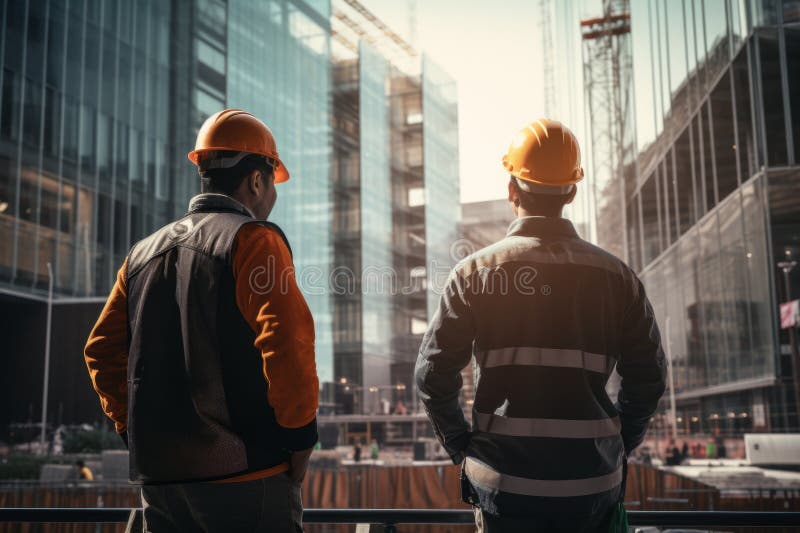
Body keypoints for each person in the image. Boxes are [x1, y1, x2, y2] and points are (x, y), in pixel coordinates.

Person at [415, 119, 666, 532]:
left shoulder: (474, 273)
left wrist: (461, 447)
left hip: (504, 488)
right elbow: (649, 376)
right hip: (592, 486)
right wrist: (617, 445)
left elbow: (432, 375)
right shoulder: (618, 278)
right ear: (572, 191)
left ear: (512, 190)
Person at [84, 109, 319, 532]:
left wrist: (133, 430)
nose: (272, 198)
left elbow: (101, 352)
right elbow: (288, 344)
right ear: (256, 180)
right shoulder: (253, 239)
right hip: (247, 478)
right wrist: (300, 439)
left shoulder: (141, 254)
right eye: (272, 185)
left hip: (161, 484)